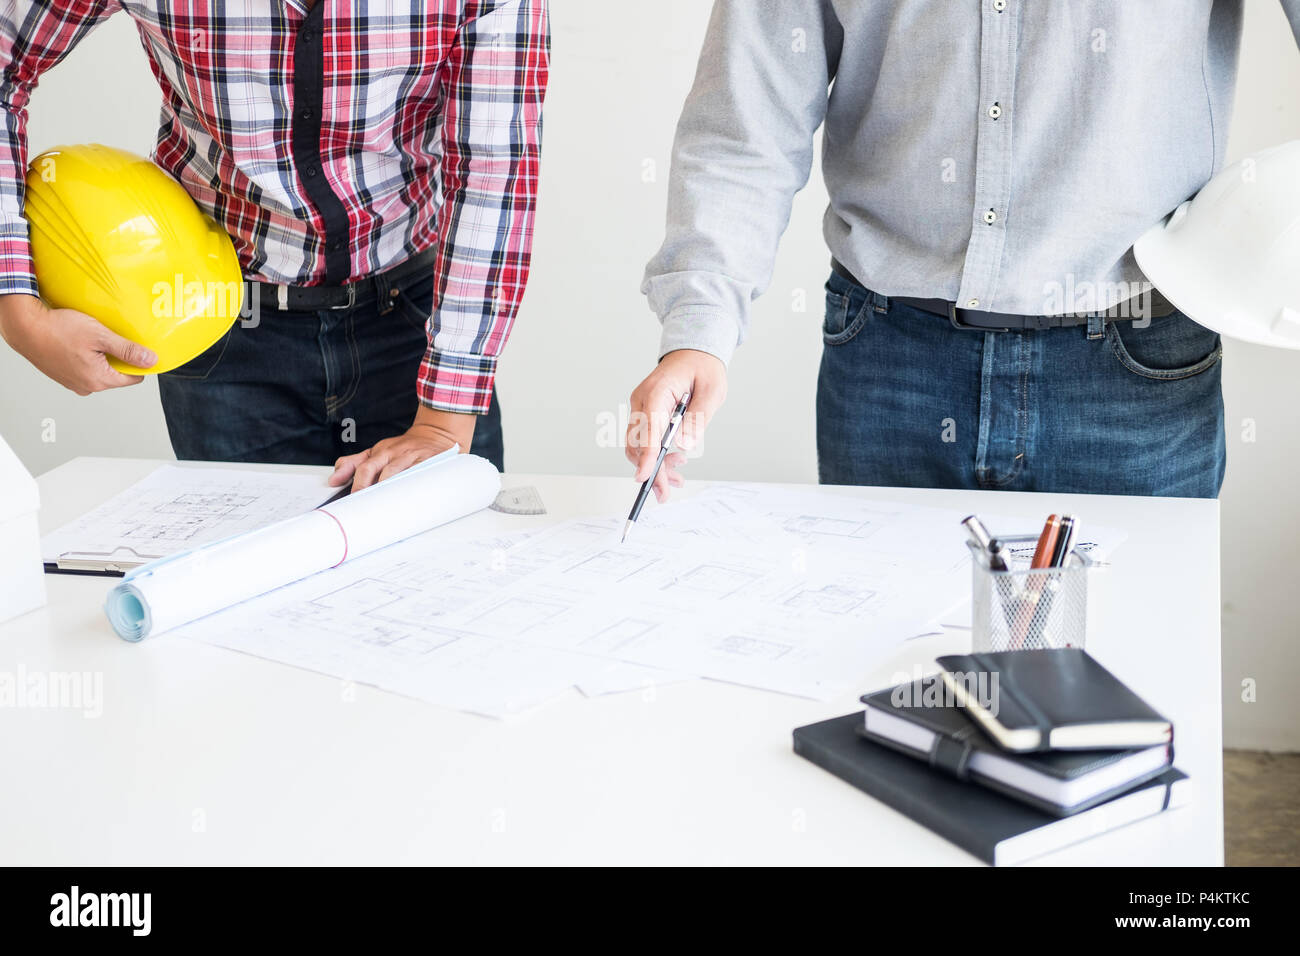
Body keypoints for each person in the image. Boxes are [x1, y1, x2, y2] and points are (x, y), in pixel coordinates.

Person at [628, 0, 1300, 501]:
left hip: (1135, 375)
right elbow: (749, 116)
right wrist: (699, 328)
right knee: (886, 676)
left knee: (1128, 684)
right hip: (889, 367)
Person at [0, 0, 549, 488]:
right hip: (222, 326)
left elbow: (493, 168)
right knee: (244, 586)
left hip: (417, 324)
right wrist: (17, 309)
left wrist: (442, 419)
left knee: (445, 583)